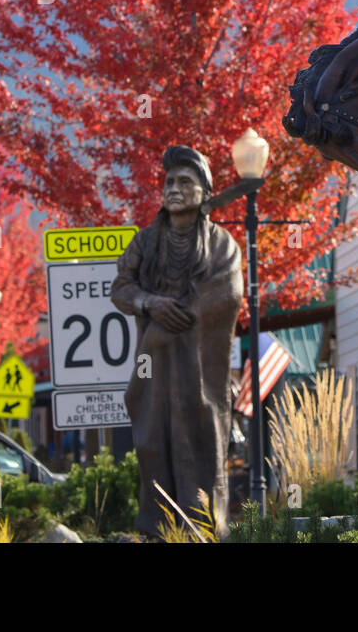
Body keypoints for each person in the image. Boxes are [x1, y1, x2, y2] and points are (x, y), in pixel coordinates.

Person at [111, 145, 243, 538]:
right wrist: (149, 302)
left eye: (185, 182)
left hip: (200, 365)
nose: (174, 189)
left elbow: (229, 291)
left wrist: (181, 312)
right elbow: (121, 288)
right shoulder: (145, 242)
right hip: (153, 362)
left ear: (204, 193)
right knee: (152, 439)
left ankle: (201, 526)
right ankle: (157, 529)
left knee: (202, 434)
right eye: (169, 182)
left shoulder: (222, 245)